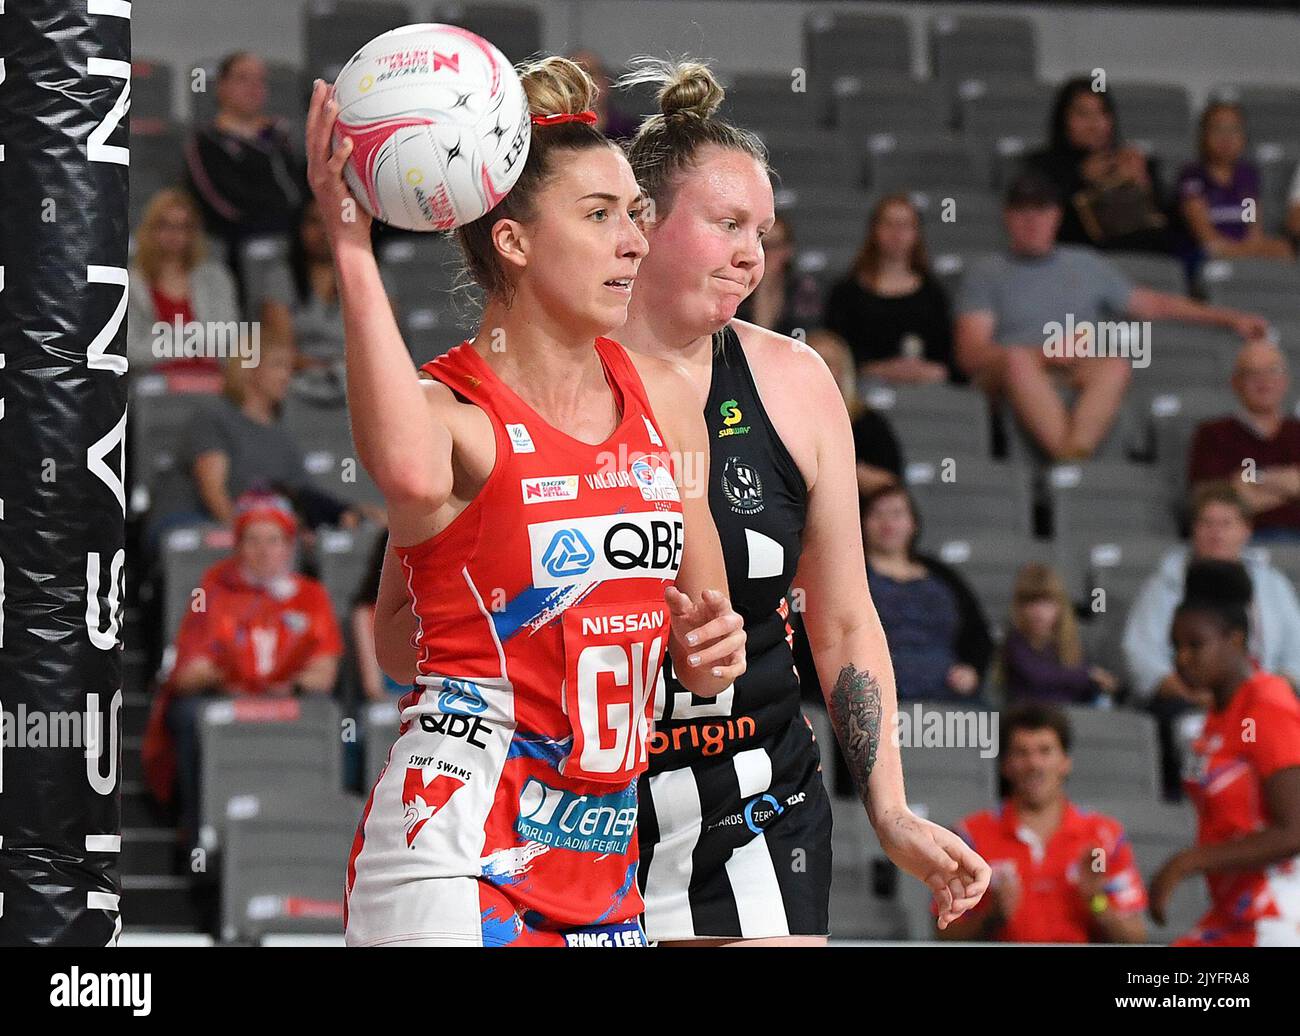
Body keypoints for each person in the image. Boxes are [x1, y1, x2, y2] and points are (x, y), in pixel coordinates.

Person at [315, 59, 747, 948]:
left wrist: (710, 651)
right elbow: (406, 497)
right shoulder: (453, 412)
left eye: (636, 215)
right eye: (599, 217)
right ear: (512, 242)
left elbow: (704, 633)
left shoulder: (658, 399)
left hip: (603, 867)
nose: (635, 241)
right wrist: (350, 246)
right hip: (459, 846)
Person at [613, 57, 990, 946]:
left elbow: (846, 618)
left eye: (766, 232)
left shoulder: (797, 380)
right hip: (585, 793)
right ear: (643, 224)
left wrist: (889, 808)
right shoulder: (560, 371)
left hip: (755, 797)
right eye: (728, 224)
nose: (753, 253)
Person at [955, 171, 1268, 462]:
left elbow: (1154, 304)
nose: (1033, 221)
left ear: (1056, 216)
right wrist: (1044, 353)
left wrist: (1229, 317)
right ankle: (1070, 460)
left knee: (1116, 364)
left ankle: (1074, 454)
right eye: (1023, 212)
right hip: (1014, 371)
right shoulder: (986, 272)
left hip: (1075, 365)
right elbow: (971, 355)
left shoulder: (1086, 264)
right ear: (1008, 217)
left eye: (1042, 211)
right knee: (1017, 362)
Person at [142, 491, 344, 846]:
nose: (264, 551)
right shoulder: (213, 589)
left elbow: (323, 674)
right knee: (188, 715)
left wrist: (281, 688)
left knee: (332, 717)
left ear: (289, 547)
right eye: (253, 540)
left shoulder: (311, 596)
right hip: (222, 696)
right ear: (238, 546)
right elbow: (189, 673)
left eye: (274, 541)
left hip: (289, 699)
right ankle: (197, 834)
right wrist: (228, 680)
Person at [1151, 560, 1300, 946]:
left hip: (1281, 912)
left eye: (1195, 645)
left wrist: (1188, 862)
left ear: (1235, 640)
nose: (1183, 658)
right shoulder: (1217, 717)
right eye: (1176, 647)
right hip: (1234, 910)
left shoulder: (1268, 702)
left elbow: (1295, 829)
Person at [1122, 485, 1300, 798]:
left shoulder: (1273, 584)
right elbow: (1141, 654)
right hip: (1186, 699)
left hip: (1264, 697)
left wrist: (1266, 691)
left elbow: (1296, 652)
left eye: (1226, 524)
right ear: (1193, 529)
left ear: (1246, 530)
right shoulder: (1165, 583)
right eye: (1207, 523)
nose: (1216, 533)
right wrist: (1195, 694)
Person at [939, 704, 1148, 943]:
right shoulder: (969, 837)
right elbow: (942, 934)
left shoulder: (1103, 838)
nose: (1034, 765)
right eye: (1021, 753)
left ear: (1065, 762)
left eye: (1045, 751)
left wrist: (1097, 901)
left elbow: (1136, 939)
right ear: (1005, 765)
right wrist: (993, 917)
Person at [145, 335, 361, 548]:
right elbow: (212, 491)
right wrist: (249, 539)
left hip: (251, 532)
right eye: (277, 366)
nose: (287, 376)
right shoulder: (214, 417)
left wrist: (355, 513)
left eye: (289, 368)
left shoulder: (282, 436)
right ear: (248, 369)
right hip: (192, 522)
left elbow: (304, 495)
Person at [183, 51, 305, 298]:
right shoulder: (206, 141)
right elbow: (221, 201)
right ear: (222, 87)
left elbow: (299, 189)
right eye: (243, 79)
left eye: (260, 80)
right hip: (234, 255)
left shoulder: (280, 136)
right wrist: (272, 214)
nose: (254, 87)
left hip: (293, 252)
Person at [862, 484, 993, 704]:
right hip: (879, 691)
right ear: (863, 523)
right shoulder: (851, 575)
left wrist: (972, 671)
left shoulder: (941, 573)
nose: (888, 523)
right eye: (878, 514)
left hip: (949, 689)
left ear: (913, 523)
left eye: (896, 513)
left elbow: (978, 633)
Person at [1023, 77, 1173, 254]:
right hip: (1077, 261)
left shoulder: (1135, 161)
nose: (1094, 124)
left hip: (1141, 260)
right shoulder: (1043, 167)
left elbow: (1167, 226)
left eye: (1102, 113)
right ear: (1063, 120)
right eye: (1083, 114)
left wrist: (1143, 186)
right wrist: (1080, 180)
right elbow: (1043, 227)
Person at [823, 193, 959, 385]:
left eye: (905, 225)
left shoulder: (934, 294)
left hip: (925, 393)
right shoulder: (846, 293)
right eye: (889, 224)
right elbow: (836, 352)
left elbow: (948, 360)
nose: (897, 233)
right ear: (874, 230)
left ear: (916, 233)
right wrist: (879, 369)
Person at [1188, 338, 1300, 541]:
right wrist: (1289, 487)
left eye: (1273, 371)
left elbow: (1239, 494)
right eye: (1252, 373)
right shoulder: (1212, 434)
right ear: (1236, 382)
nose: (1264, 380)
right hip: (1239, 544)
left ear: (1286, 380)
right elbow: (1212, 501)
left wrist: (1253, 479)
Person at [126, 188, 241, 381]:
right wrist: (196, 340)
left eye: (183, 226)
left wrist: (165, 338)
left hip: (213, 382)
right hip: (153, 385)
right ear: (150, 229)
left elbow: (227, 337)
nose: (174, 234)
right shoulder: (130, 283)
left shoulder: (216, 278)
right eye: (166, 225)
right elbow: (132, 350)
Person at [257, 198, 349, 405]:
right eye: (314, 222)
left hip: (358, 378)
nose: (323, 231)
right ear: (299, 228)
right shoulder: (280, 278)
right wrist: (329, 369)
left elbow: (381, 344)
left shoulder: (370, 275)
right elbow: (280, 350)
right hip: (296, 381)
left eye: (330, 221)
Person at [1178, 102, 1293, 265]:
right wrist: (1242, 251)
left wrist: (1250, 249)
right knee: (1215, 250)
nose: (1226, 138)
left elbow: (1253, 226)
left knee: (1283, 249)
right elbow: (1205, 235)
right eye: (1218, 129)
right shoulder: (1192, 176)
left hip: (1243, 249)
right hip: (1209, 251)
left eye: (1234, 129)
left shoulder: (1247, 175)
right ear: (1204, 135)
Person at [1001, 562, 1119, 705]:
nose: (1039, 612)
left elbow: (1085, 688)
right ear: (1019, 607)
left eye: (1047, 603)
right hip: (1031, 717)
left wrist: (1101, 683)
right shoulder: (1015, 641)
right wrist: (1089, 675)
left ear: (1060, 605)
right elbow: (1039, 675)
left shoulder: (1072, 640)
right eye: (1031, 603)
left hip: (1074, 716)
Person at [805, 328, 905, 495]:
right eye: (811, 360)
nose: (819, 368)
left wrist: (848, 473)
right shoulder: (782, 420)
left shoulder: (867, 422)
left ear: (845, 371)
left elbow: (892, 484)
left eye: (828, 362)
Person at [733, 214, 823, 338]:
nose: (767, 253)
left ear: (788, 250)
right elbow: (756, 334)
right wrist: (763, 287)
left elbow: (808, 333)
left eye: (775, 246)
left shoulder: (803, 287)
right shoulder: (736, 284)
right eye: (763, 245)